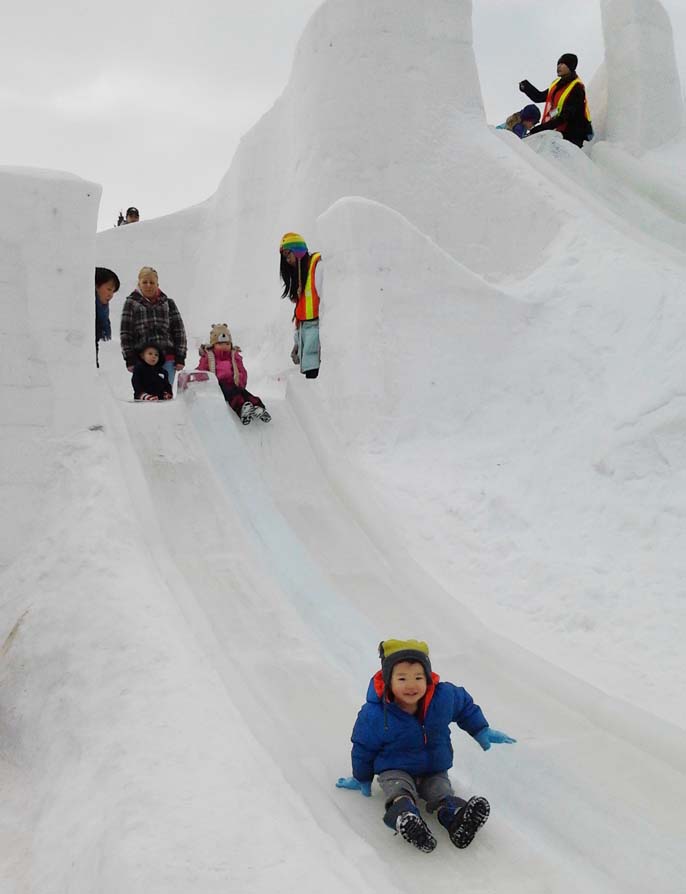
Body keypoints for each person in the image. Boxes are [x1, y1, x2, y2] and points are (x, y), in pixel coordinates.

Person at [336, 639, 516, 853]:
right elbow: (363, 747)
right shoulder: (375, 713)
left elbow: (465, 707)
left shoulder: (443, 698)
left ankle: (456, 818)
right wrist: (362, 777)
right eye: (402, 678)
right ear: (388, 680)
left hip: (434, 768)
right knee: (399, 789)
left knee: (441, 791)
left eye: (418, 678)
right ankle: (405, 817)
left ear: (428, 678)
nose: (411, 685)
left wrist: (480, 729)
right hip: (394, 768)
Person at [120, 266, 187, 388]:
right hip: (143, 359)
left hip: (167, 357)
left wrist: (180, 356)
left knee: (164, 391)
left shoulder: (168, 303)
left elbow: (179, 331)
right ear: (139, 283)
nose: (148, 285)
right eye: (145, 282)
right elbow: (126, 333)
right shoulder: (131, 303)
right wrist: (129, 358)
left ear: (157, 284)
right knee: (146, 393)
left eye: (152, 282)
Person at [197, 323, 271, 424]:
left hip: (234, 383)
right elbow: (202, 371)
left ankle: (258, 407)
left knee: (244, 393)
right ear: (213, 345)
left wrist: (240, 380)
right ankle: (242, 409)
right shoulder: (208, 357)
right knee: (234, 396)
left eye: (227, 344)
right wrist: (199, 379)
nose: (224, 347)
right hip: (219, 386)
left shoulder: (234, 356)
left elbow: (241, 370)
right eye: (220, 344)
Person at [519, 53, 593, 148]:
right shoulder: (556, 84)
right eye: (558, 64)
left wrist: (540, 129)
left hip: (574, 134)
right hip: (560, 130)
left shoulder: (577, 88)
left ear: (570, 66)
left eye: (562, 64)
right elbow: (540, 97)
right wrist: (526, 87)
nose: (558, 67)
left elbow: (565, 116)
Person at [279, 232, 322, 379]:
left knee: (316, 380)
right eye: (284, 256)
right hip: (307, 334)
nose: (287, 259)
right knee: (310, 383)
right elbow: (301, 314)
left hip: (316, 333)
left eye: (288, 253)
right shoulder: (300, 278)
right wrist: (298, 343)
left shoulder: (316, 266)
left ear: (298, 251)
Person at [95, 267, 120, 368]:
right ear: (96, 286)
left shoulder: (101, 311)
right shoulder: (89, 311)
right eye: (109, 289)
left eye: (113, 292)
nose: (111, 295)